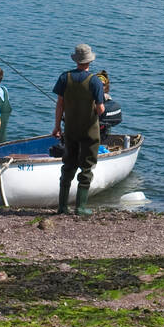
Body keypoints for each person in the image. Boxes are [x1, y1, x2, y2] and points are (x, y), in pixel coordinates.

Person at [52, 44, 106, 215]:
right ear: (89, 61)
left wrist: (56, 126)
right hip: (90, 130)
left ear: (76, 60)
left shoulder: (64, 78)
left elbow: (59, 104)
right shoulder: (95, 81)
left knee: (68, 165)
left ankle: (62, 207)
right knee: (87, 167)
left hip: (70, 129)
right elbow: (100, 108)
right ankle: (80, 208)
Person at [96, 70, 121, 139]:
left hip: (102, 126)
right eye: (98, 84)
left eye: (103, 85)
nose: (100, 86)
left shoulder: (107, 97)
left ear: (106, 86)